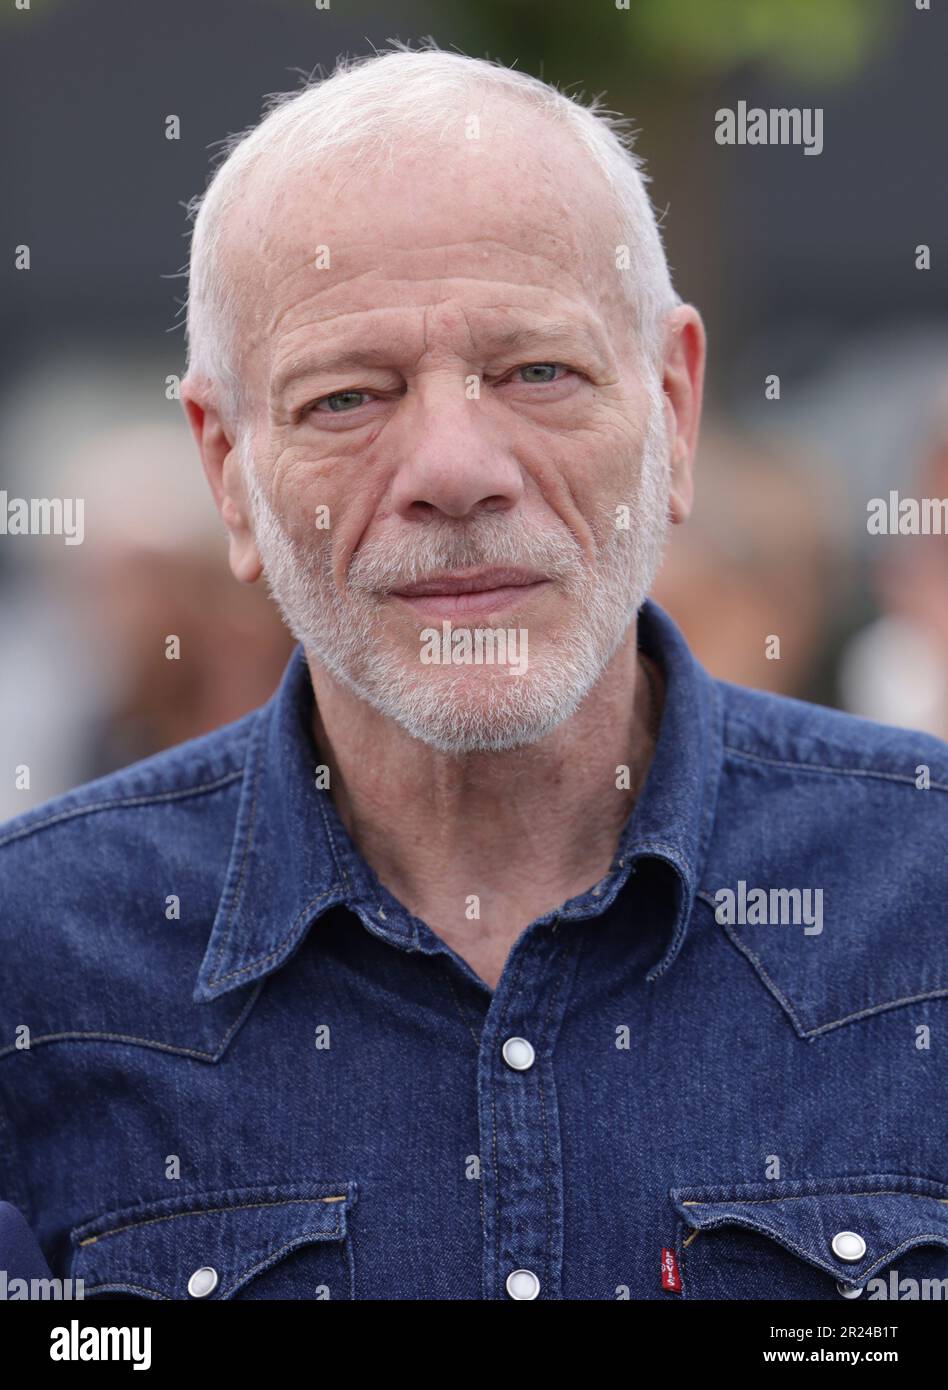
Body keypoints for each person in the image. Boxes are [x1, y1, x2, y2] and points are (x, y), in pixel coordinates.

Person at [1, 42, 946, 1303]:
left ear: (674, 406)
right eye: (347, 397)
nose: (456, 467)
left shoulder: (925, 890)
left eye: (537, 372)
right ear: (227, 467)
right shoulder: (39, 956)